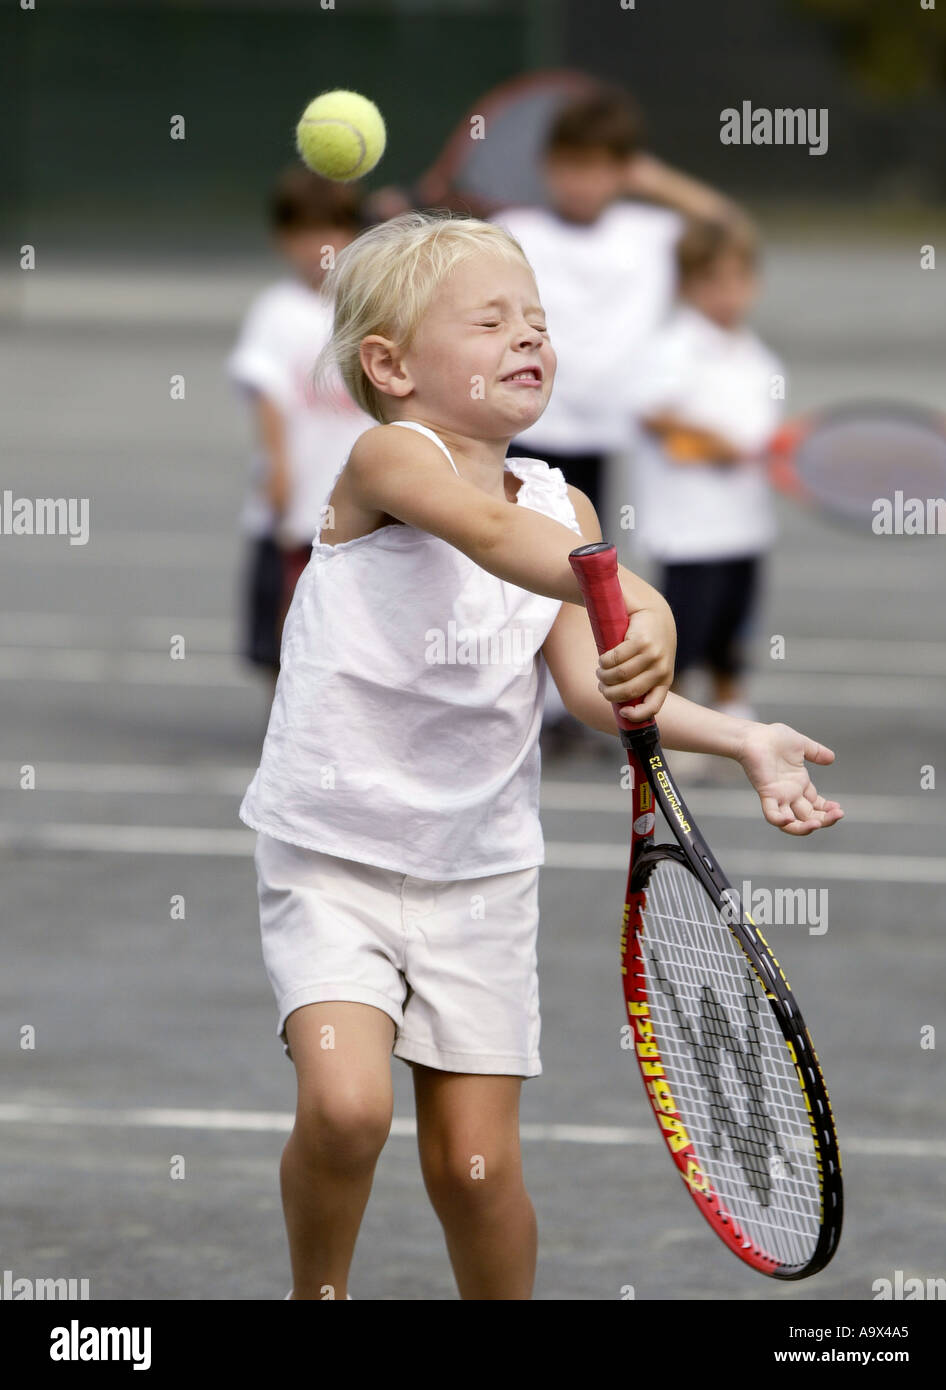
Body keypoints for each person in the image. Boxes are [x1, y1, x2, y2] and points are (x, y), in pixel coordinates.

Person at [238, 211, 843, 1301]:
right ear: (390, 365)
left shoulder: (556, 497)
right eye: (488, 320)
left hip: (479, 872)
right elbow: (490, 538)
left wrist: (738, 733)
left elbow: (596, 693)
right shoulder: (390, 458)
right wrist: (639, 591)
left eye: (538, 321)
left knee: (475, 1168)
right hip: (334, 856)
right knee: (347, 1109)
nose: (528, 338)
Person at [488, 83, 738, 750]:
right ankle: (525, 702)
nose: (582, 180)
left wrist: (648, 177)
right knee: (516, 566)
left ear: (621, 170)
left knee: (585, 573)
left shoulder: (650, 231)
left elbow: (726, 223)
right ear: (547, 167)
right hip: (531, 426)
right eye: (570, 164)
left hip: (608, 437)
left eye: (601, 165)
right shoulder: (520, 230)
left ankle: (577, 704)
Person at [227, 167, 375, 692]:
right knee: (280, 636)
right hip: (292, 501)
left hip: (357, 509)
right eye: (305, 234)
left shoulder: (371, 308)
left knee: (347, 633)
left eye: (333, 231)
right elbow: (266, 393)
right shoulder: (277, 310)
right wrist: (278, 466)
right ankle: (286, 725)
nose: (321, 247)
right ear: (282, 240)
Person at [633, 216, 782, 721]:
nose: (727, 293)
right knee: (683, 634)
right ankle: (669, 723)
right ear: (685, 286)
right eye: (711, 281)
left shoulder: (759, 359)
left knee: (733, 628)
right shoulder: (672, 348)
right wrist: (717, 444)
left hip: (746, 528)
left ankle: (731, 710)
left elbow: (764, 441)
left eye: (738, 279)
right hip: (689, 532)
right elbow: (656, 417)